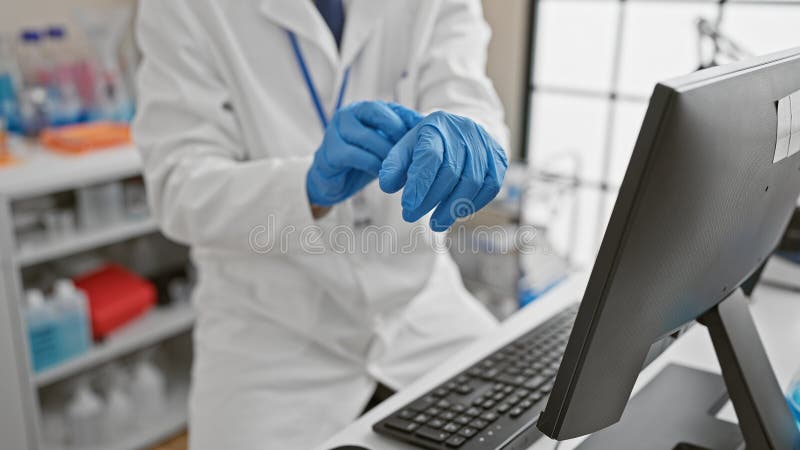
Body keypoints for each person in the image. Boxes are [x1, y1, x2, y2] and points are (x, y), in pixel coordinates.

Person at [133, 0, 509, 448]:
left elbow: (467, 97)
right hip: (270, 329)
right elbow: (178, 186)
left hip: (419, 306)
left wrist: (467, 139)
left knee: (537, 421)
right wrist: (304, 187)